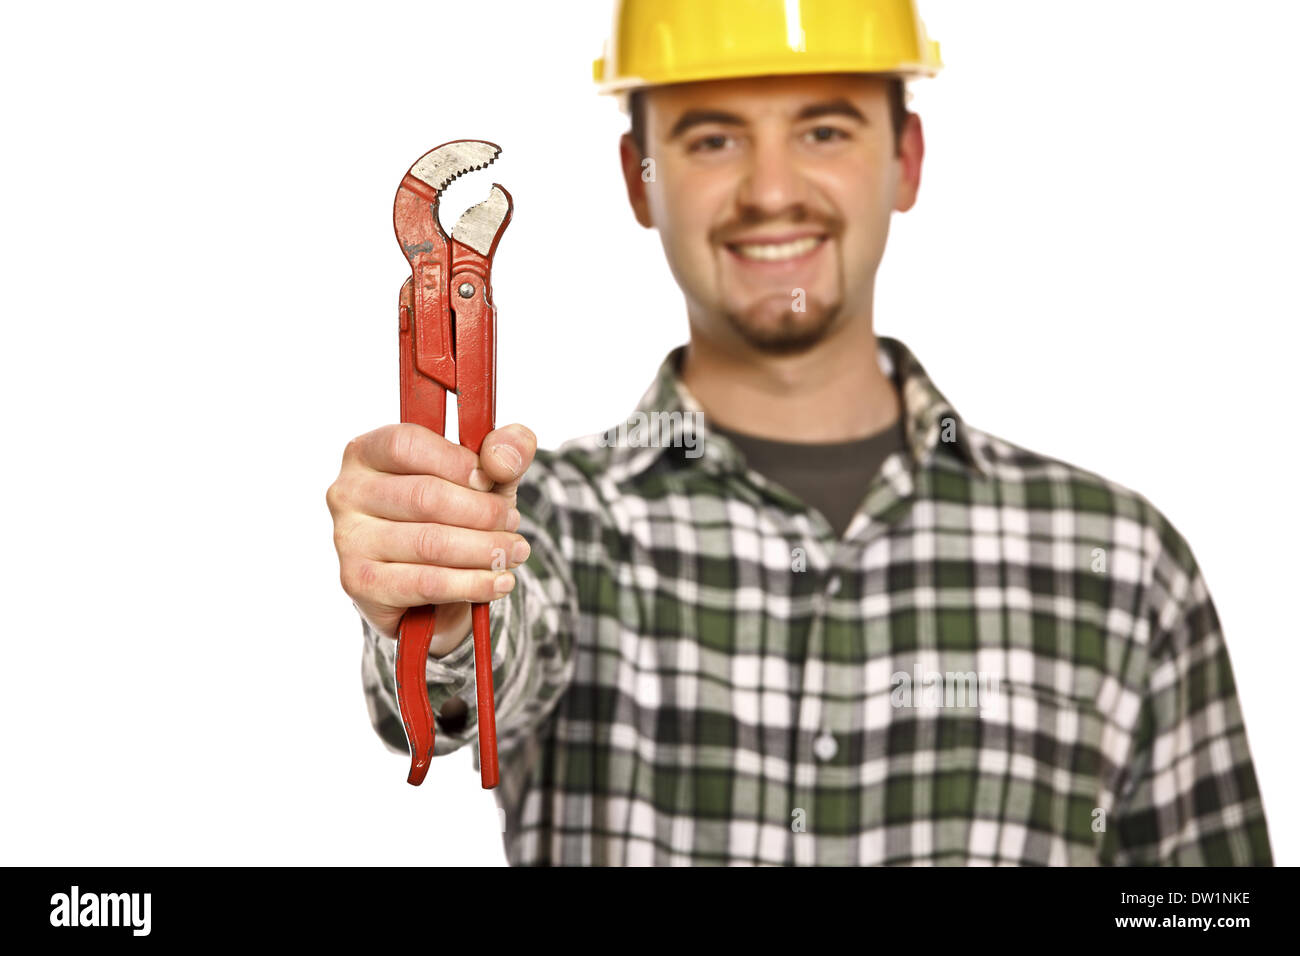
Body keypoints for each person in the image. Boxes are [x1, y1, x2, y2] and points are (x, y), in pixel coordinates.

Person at [326, 0, 1273, 865]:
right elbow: (476, 676)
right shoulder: (554, 530)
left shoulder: (1123, 563)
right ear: (639, 179)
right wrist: (443, 598)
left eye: (823, 129)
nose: (771, 190)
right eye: (710, 138)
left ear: (907, 158)